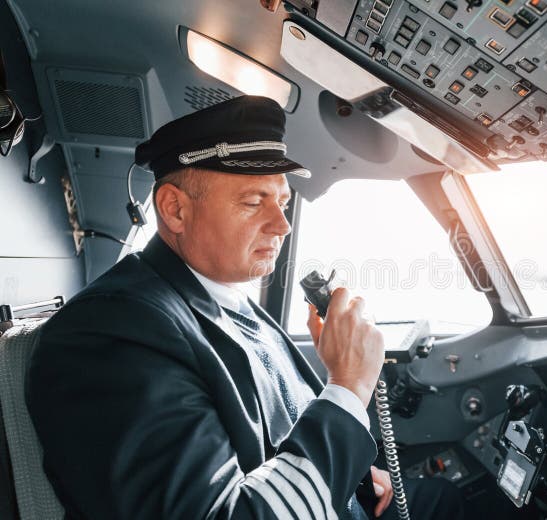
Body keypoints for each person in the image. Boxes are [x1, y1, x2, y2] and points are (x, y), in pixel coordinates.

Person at [26, 96, 464, 519]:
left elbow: (272, 429)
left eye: (284, 202)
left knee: (446, 499)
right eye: (254, 202)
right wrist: (348, 388)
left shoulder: (222, 294)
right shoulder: (111, 332)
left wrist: (345, 468)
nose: (283, 225)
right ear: (175, 210)